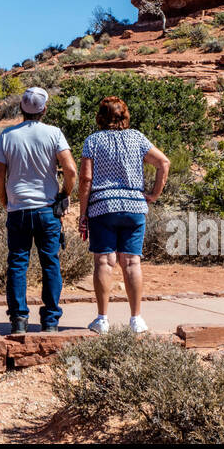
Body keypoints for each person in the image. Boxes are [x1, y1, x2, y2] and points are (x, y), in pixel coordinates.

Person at [77, 95, 169, 334]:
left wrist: (83, 212)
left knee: (104, 262)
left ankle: (102, 319)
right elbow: (163, 163)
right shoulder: (137, 137)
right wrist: (154, 194)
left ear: (100, 117)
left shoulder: (93, 141)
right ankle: (136, 318)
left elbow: (86, 178)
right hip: (134, 206)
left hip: (103, 207)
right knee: (132, 262)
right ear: (124, 116)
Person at [0, 86, 77, 334]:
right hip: (47, 209)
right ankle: (50, 320)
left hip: (18, 209)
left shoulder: (7, 135)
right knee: (50, 262)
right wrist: (64, 194)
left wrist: (4, 199)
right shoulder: (54, 133)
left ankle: (19, 319)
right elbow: (70, 170)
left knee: (18, 263)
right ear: (44, 109)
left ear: (21, 108)